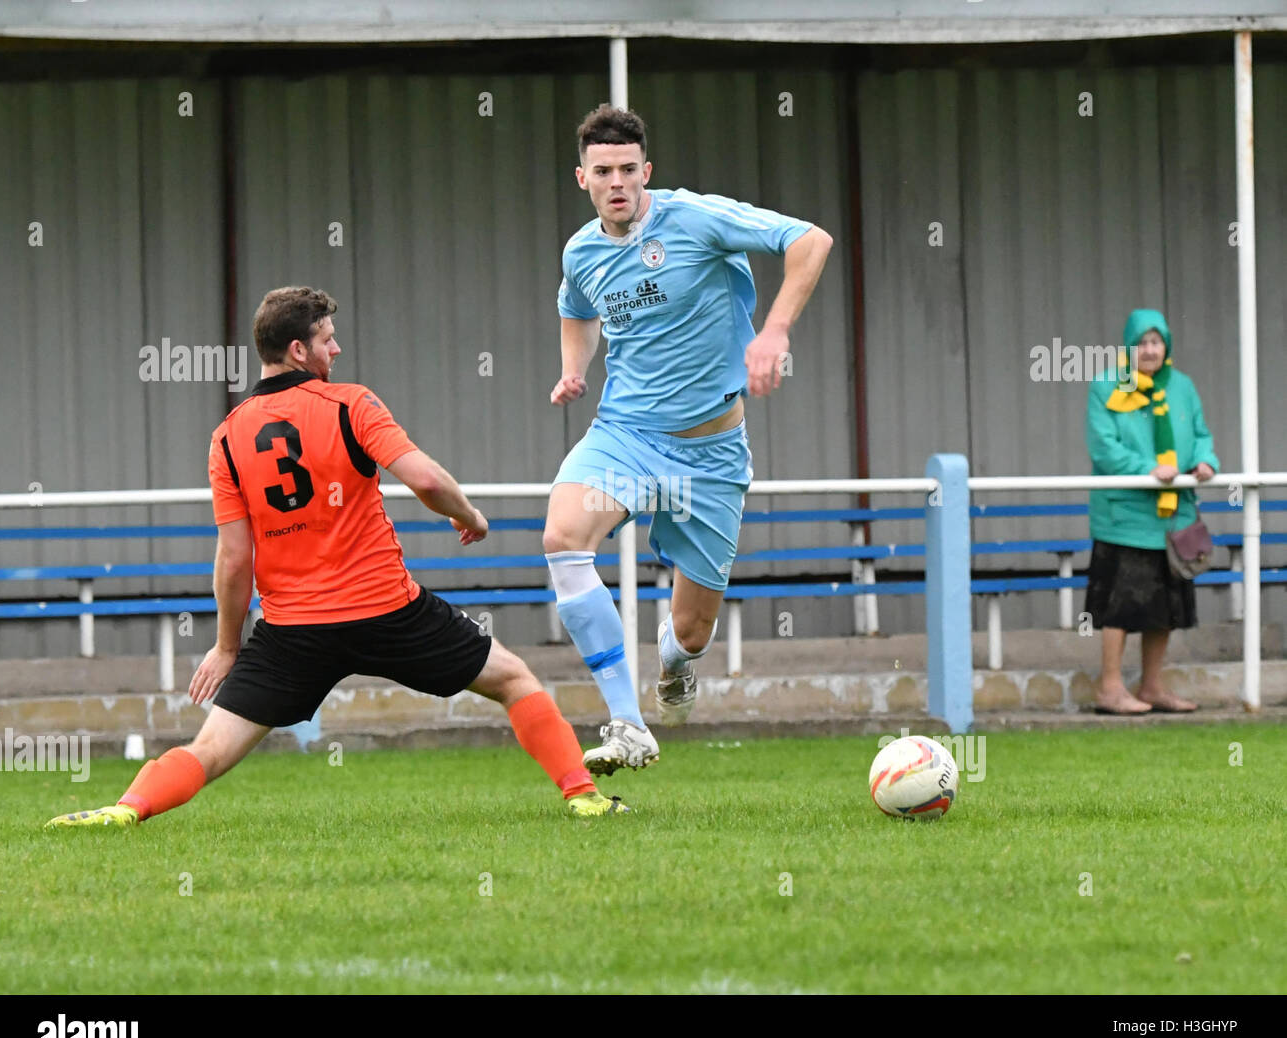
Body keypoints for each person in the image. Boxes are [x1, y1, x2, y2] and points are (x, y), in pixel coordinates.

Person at [47, 286, 629, 827]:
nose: (337, 347)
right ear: (299, 349)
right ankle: (584, 798)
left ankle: (127, 809)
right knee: (514, 680)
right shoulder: (350, 403)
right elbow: (424, 478)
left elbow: (232, 559)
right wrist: (469, 515)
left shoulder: (227, 436)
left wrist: (228, 646)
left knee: (211, 748)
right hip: (388, 612)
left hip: (294, 630)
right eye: (328, 338)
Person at [546, 104, 833, 774]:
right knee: (562, 538)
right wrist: (572, 369)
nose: (616, 181)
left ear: (646, 172)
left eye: (627, 169)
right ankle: (627, 723)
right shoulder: (582, 250)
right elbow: (575, 309)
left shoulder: (697, 218)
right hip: (626, 436)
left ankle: (674, 660)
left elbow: (810, 241)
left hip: (710, 454)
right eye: (602, 171)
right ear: (581, 178)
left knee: (693, 632)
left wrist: (776, 331)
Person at [1085, 308, 1219, 714]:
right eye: (1141, 342)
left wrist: (1205, 461)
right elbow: (1103, 447)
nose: (1149, 350)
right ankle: (1109, 689)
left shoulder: (1183, 386)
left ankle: (1152, 687)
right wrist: (1147, 470)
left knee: (1166, 606)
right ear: (1128, 346)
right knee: (1118, 606)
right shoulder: (1106, 384)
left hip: (1173, 517)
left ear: (1167, 346)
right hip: (1124, 517)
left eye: (1156, 342)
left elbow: (1199, 434)